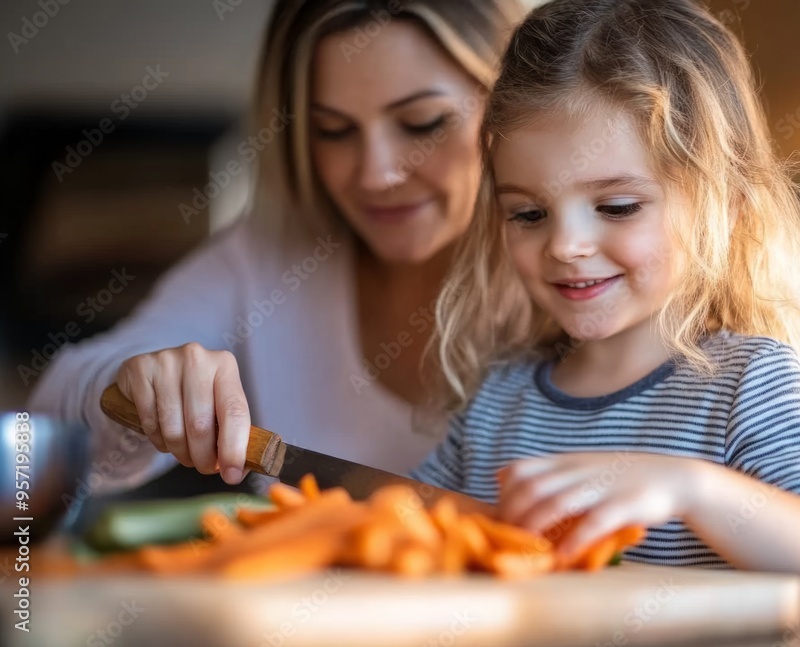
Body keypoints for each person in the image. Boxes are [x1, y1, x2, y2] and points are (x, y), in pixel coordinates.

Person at [411, 0, 800, 594]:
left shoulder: (743, 383)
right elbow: (413, 529)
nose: (565, 245)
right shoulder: (498, 400)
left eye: (617, 207)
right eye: (528, 213)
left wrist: (690, 488)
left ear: (726, 204)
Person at [27, 0, 525, 494]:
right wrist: (136, 379)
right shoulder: (269, 257)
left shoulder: (577, 264)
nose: (376, 175)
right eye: (332, 130)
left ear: (515, 106)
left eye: (422, 122)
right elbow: (43, 425)